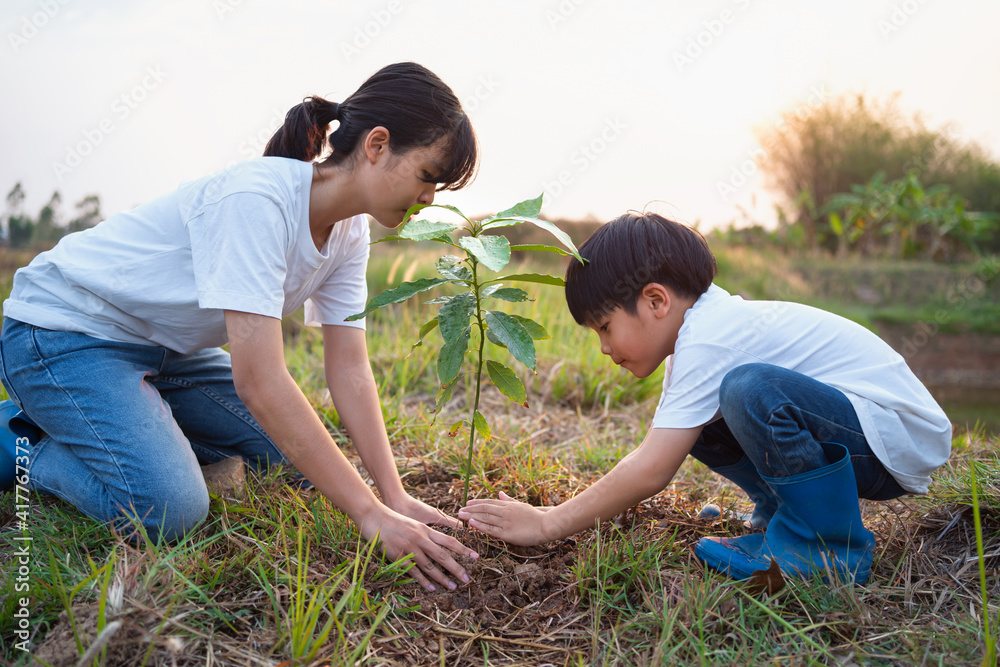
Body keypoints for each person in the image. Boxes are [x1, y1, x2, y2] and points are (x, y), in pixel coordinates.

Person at [0, 62, 479, 592]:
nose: (431, 197)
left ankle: (128, 418)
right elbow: (260, 382)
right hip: (63, 336)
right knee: (169, 511)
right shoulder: (258, 200)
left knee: (292, 464)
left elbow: (351, 369)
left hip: (163, 352)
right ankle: (21, 440)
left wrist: (393, 496)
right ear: (377, 145)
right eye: (429, 175)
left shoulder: (348, 234)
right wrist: (368, 517)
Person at [459, 212, 952, 585]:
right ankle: (780, 518)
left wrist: (549, 523)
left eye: (605, 327)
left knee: (748, 390)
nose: (605, 347)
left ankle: (824, 550)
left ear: (656, 301)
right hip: (861, 430)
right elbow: (660, 447)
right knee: (696, 420)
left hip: (891, 436)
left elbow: (652, 470)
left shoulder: (713, 336)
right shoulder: (700, 339)